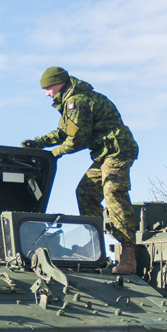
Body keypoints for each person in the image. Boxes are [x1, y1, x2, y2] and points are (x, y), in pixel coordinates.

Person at [22, 66, 140, 274]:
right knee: (85, 193)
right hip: (104, 154)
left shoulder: (77, 101)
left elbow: (78, 139)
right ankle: (95, 243)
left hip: (117, 151)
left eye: (48, 88)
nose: (47, 93)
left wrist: (55, 153)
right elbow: (63, 131)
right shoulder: (69, 102)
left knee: (113, 191)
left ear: (59, 83)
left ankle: (128, 253)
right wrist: (39, 143)